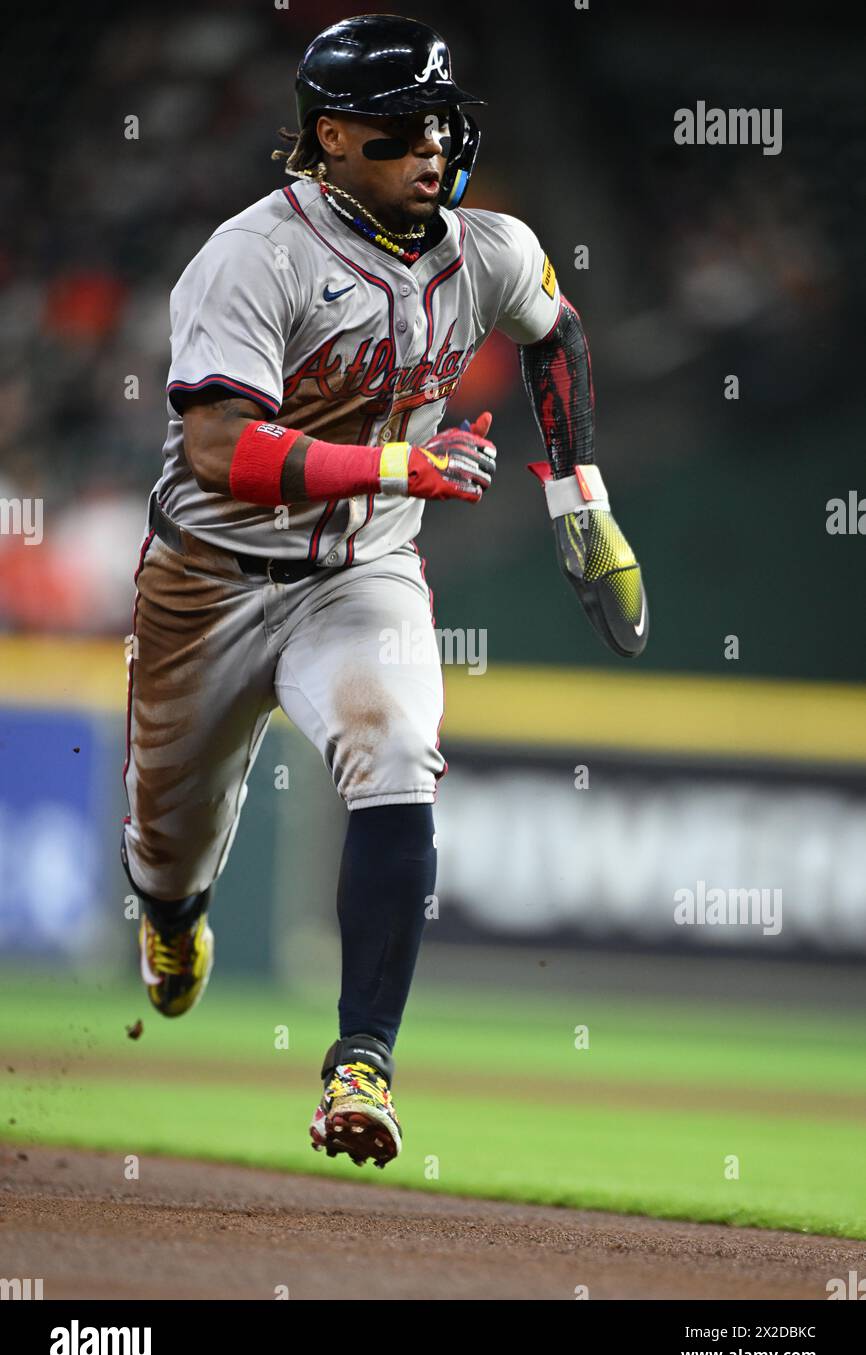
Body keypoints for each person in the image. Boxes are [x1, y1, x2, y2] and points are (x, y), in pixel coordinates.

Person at [122, 13, 647, 1170]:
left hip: (359, 572)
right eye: (402, 126)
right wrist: (396, 462)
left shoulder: (487, 248)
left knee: (395, 747)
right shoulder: (251, 257)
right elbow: (221, 447)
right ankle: (171, 922)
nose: (432, 145)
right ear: (330, 137)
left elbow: (554, 336)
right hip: (206, 583)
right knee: (167, 850)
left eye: (442, 119)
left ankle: (361, 1061)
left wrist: (580, 502)